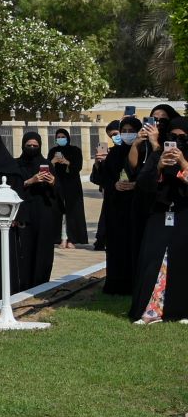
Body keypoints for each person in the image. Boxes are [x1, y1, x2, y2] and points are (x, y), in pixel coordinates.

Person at [129, 117, 187, 324]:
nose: (177, 141)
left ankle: (182, 310)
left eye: (183, 138)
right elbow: (143, 184)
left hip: (184, 214)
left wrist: (182, 163)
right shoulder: (156, 155)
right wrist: (159, 167)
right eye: (172, 137)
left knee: (183, 261)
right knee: (153, 259)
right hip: (159, 215)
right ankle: (151, 310)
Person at [93, 119, 145, 292]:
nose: (127, 133)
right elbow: (101, 178)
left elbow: (149, 175)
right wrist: (100, 166)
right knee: (116, 245)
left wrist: (137, 185)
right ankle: (116, 284)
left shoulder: (145, 151)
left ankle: (136, 284)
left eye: (132, 130)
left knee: (135, 243)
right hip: (115, 206)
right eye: (124, 130)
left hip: (137, 205)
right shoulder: (113, 154)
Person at [13, 131, 64, 291]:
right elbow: (12, 188)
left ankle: (41, 284)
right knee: (25, 250)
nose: (32, 148)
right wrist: (30, 181)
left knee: (43, 251)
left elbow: (60, 193)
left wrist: (53, 182)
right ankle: (23, 284)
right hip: (25, 214)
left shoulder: (47, 165)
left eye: (35, 146)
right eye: (29, 146)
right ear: (23, 145)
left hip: (45, 214)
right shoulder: (16, 165)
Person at [48, 127, 89, 249]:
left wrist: (67, 162)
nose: (61, 139)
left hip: (72, 184)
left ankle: (73, 239)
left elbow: (78, 166)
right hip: (57, 184)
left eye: (63, 137)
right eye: (58, 137)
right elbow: (47, 167)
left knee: (73, 211)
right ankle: (61, 238)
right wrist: (53, 161)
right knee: (58, 211)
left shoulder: (75, 150)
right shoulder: (53, 151)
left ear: (68, 138)